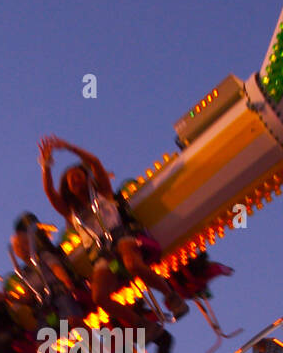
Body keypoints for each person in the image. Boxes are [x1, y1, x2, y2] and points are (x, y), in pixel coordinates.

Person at [39, 135, 188, 316]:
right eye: (71, 180)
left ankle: (171, 296)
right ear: (68, 188)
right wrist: (46, 166)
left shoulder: (103, 192)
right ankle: (141, 324)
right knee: (99, 297)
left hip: (119, 235)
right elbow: (49, 193)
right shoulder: (71, 213)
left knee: (132, 263)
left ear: (87, 179)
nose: (75, 180)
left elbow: (94, 162)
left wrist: (69, 147)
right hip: (101, 251)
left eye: (78, 176)